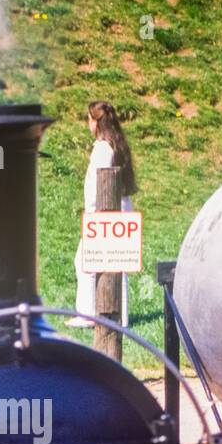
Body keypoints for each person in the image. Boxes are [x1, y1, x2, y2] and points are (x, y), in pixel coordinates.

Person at [67, 100, 137, 329]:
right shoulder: (116, 145)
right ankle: (121, 317)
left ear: (97, 122)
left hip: (104, 211)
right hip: (120, 208)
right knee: (117, 264)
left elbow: (100, 184)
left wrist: (92, 213)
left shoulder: (102, 148)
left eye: (89, 118)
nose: (88, 123)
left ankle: (88, 314)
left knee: (85, 261)